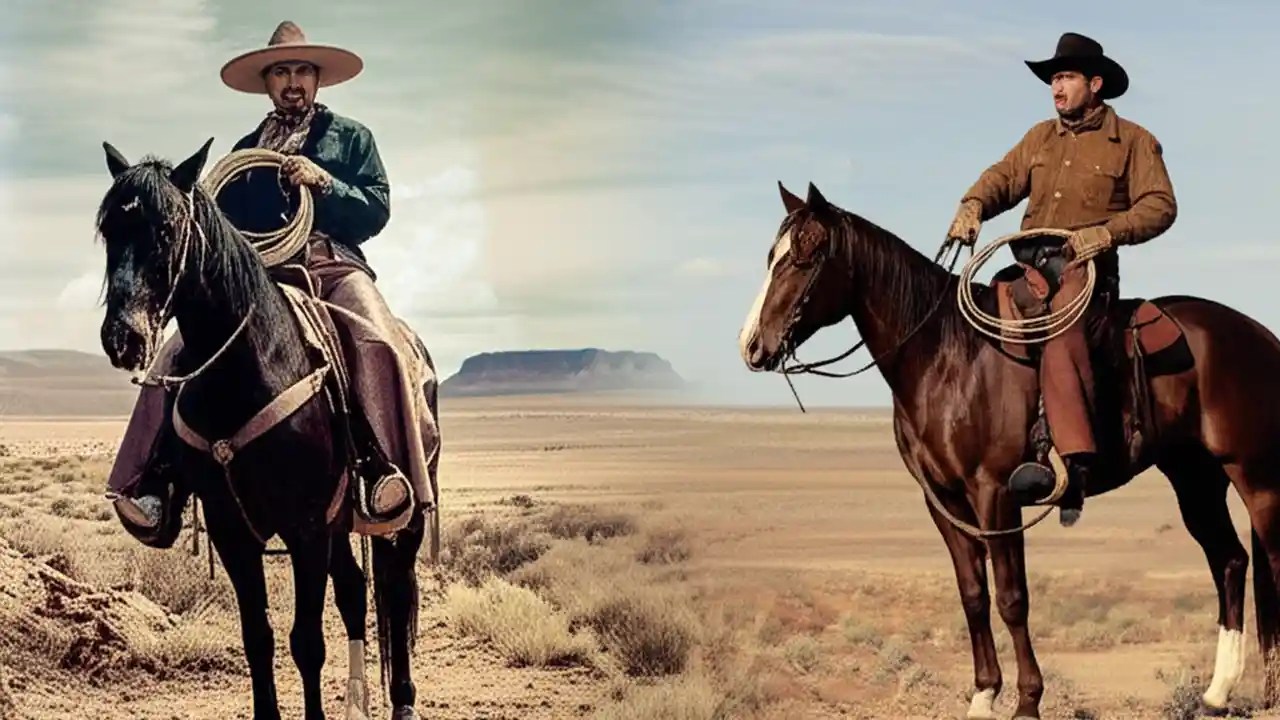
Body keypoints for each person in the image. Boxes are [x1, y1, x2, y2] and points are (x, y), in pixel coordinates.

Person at [107, 20, 424, 547]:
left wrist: (325, 183)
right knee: (177, 352)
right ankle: (154, 483)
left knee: (378, 339)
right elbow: (220, 229)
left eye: (301, 70)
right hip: (259, 275)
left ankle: (379, 470)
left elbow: (377, 208)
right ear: (268, 82)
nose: (292, 81)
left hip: (330, 265)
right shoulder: (244, 149)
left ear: (317, 79)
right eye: (281, 72)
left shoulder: (351, 138)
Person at [945, 32, 1177, 526]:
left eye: (1066, 77)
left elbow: (1160, 206)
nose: (1057, 87)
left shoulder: (1133, 140)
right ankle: (988, 443)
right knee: (979, 318)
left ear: (1095, 84)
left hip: (1084, 271)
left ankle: (1070, 461)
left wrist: (1106, 233)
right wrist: (974, 204)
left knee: (1061, 327)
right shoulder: (1038, 138)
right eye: (1053, 79)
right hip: (1030, 267)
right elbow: (1002, 177)